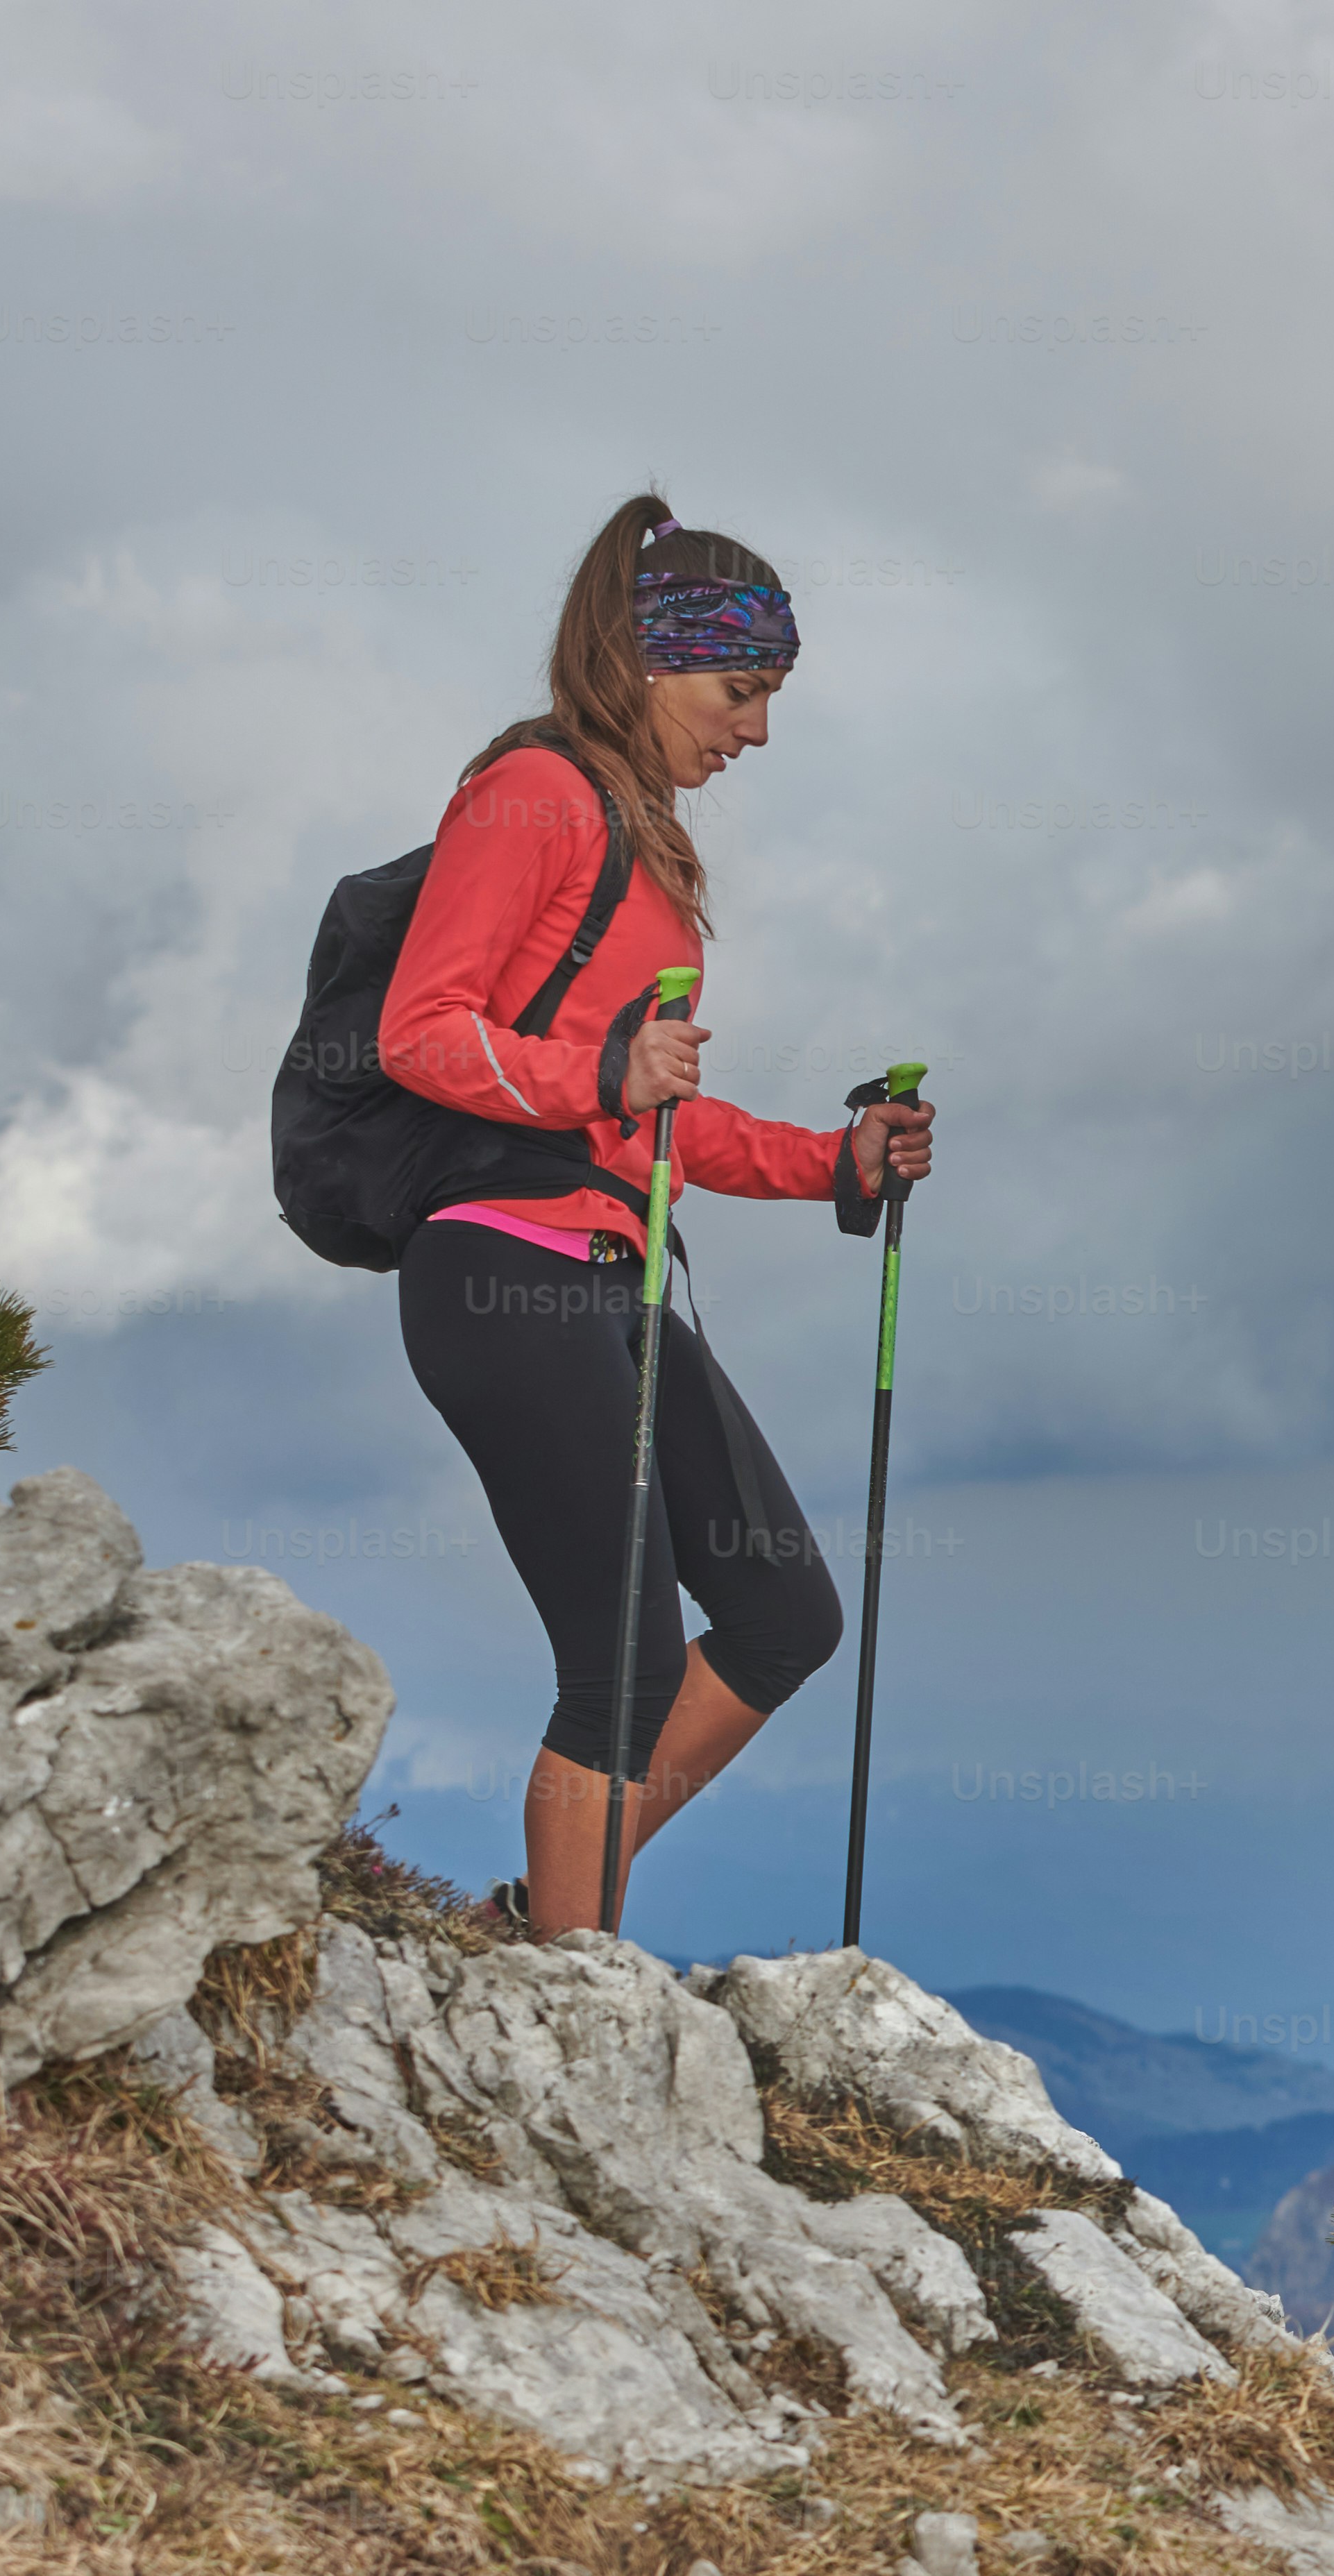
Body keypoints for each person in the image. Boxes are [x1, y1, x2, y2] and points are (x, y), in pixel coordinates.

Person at [376, 494, 938, 1938]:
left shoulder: (645, 847)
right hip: (498, 1268)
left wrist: (837, 1162)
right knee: (619, 1667)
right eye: (739, 690)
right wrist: (597, 1070)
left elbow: (653, 1120)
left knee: (783, 1614)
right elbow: (416, 1031)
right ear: (644, 660)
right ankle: (573, 1988)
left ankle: (540, 1921)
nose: (755, 731)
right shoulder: (530, 793)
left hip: (612, 1271)